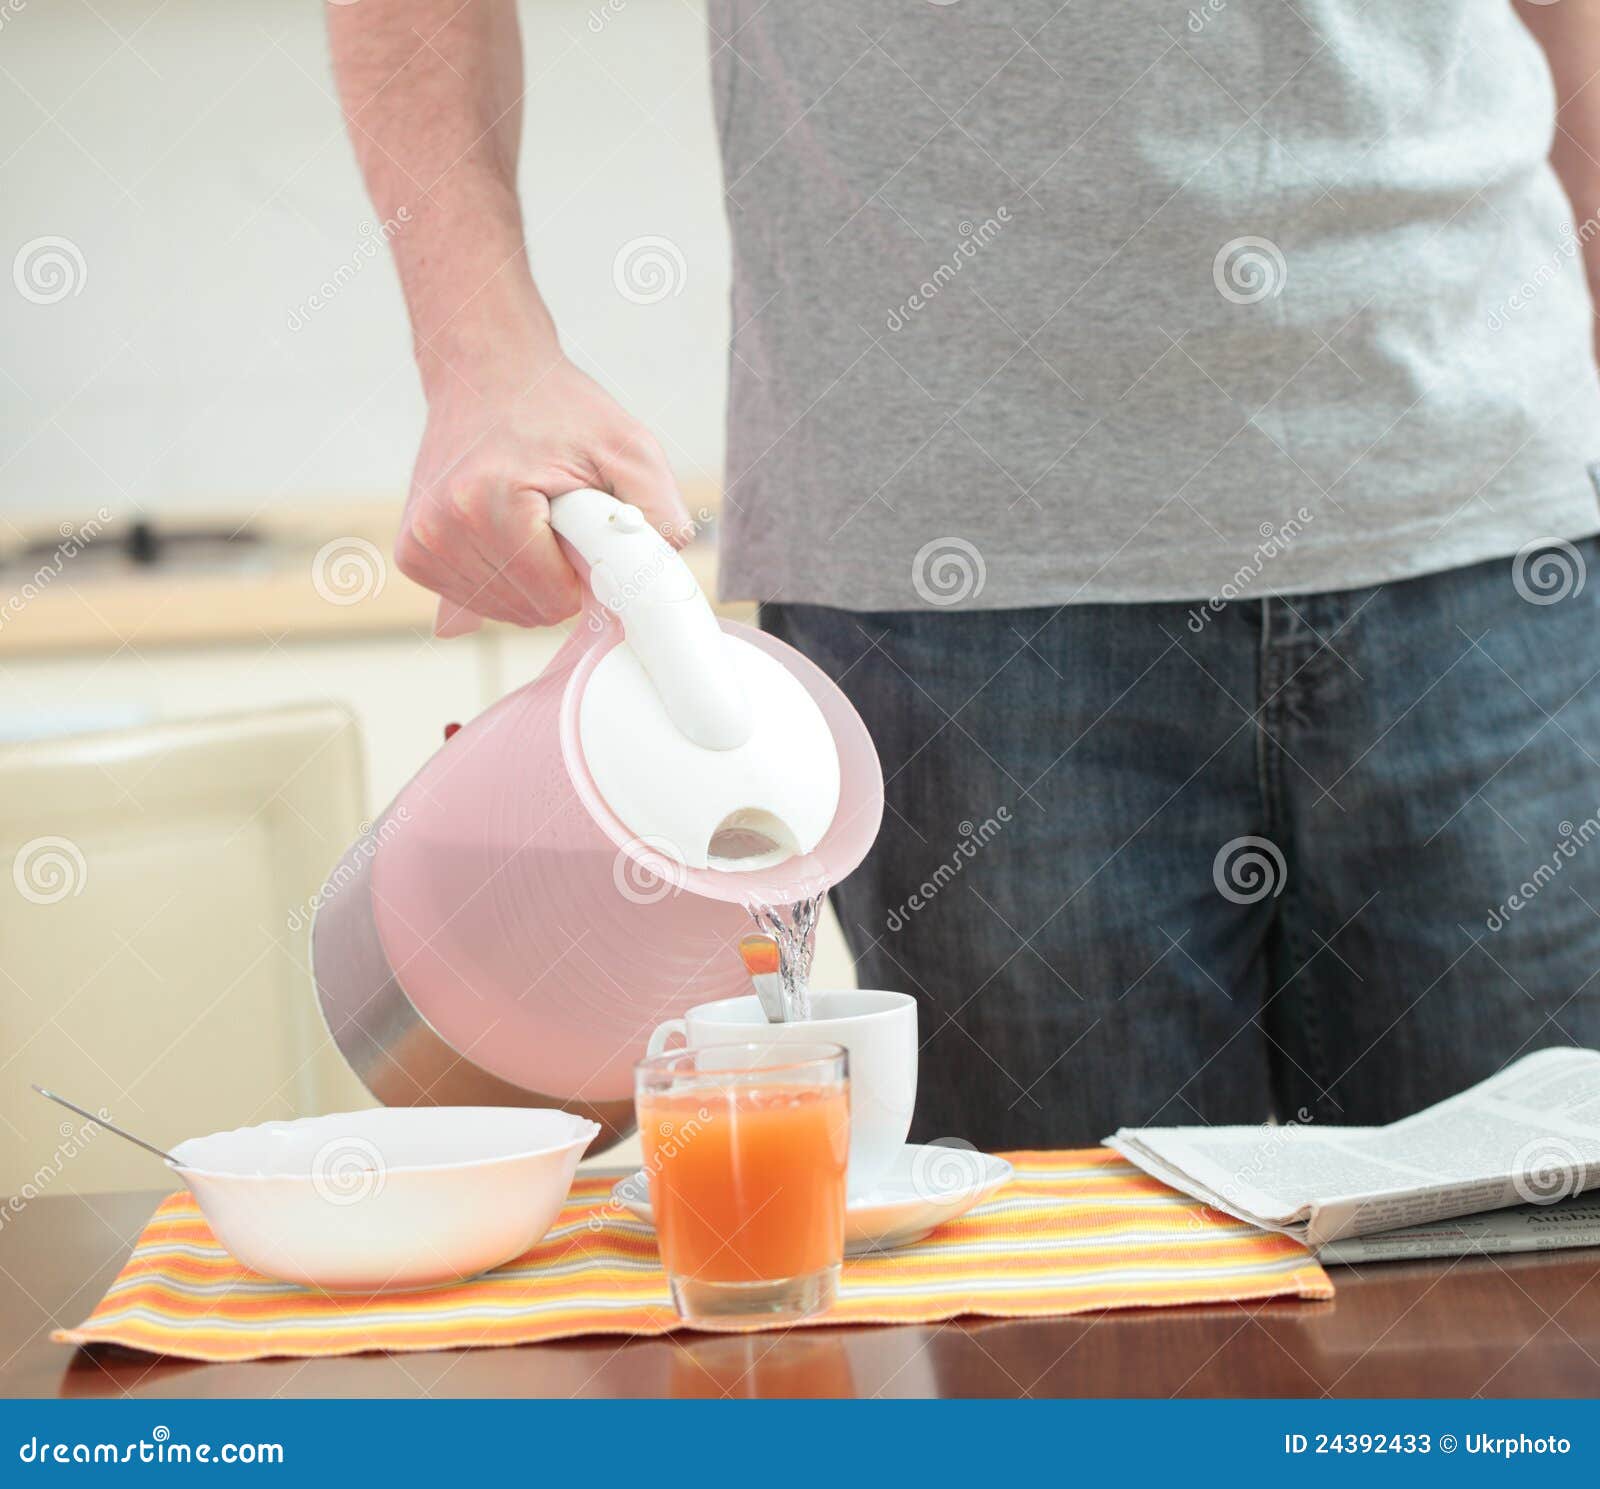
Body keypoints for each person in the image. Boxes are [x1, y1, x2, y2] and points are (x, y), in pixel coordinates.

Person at [328, 1, 1600, 1148]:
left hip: (1495, 519)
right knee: (1070, 1344)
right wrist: (481, 359)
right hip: (956, 587)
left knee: (1532, 1318)